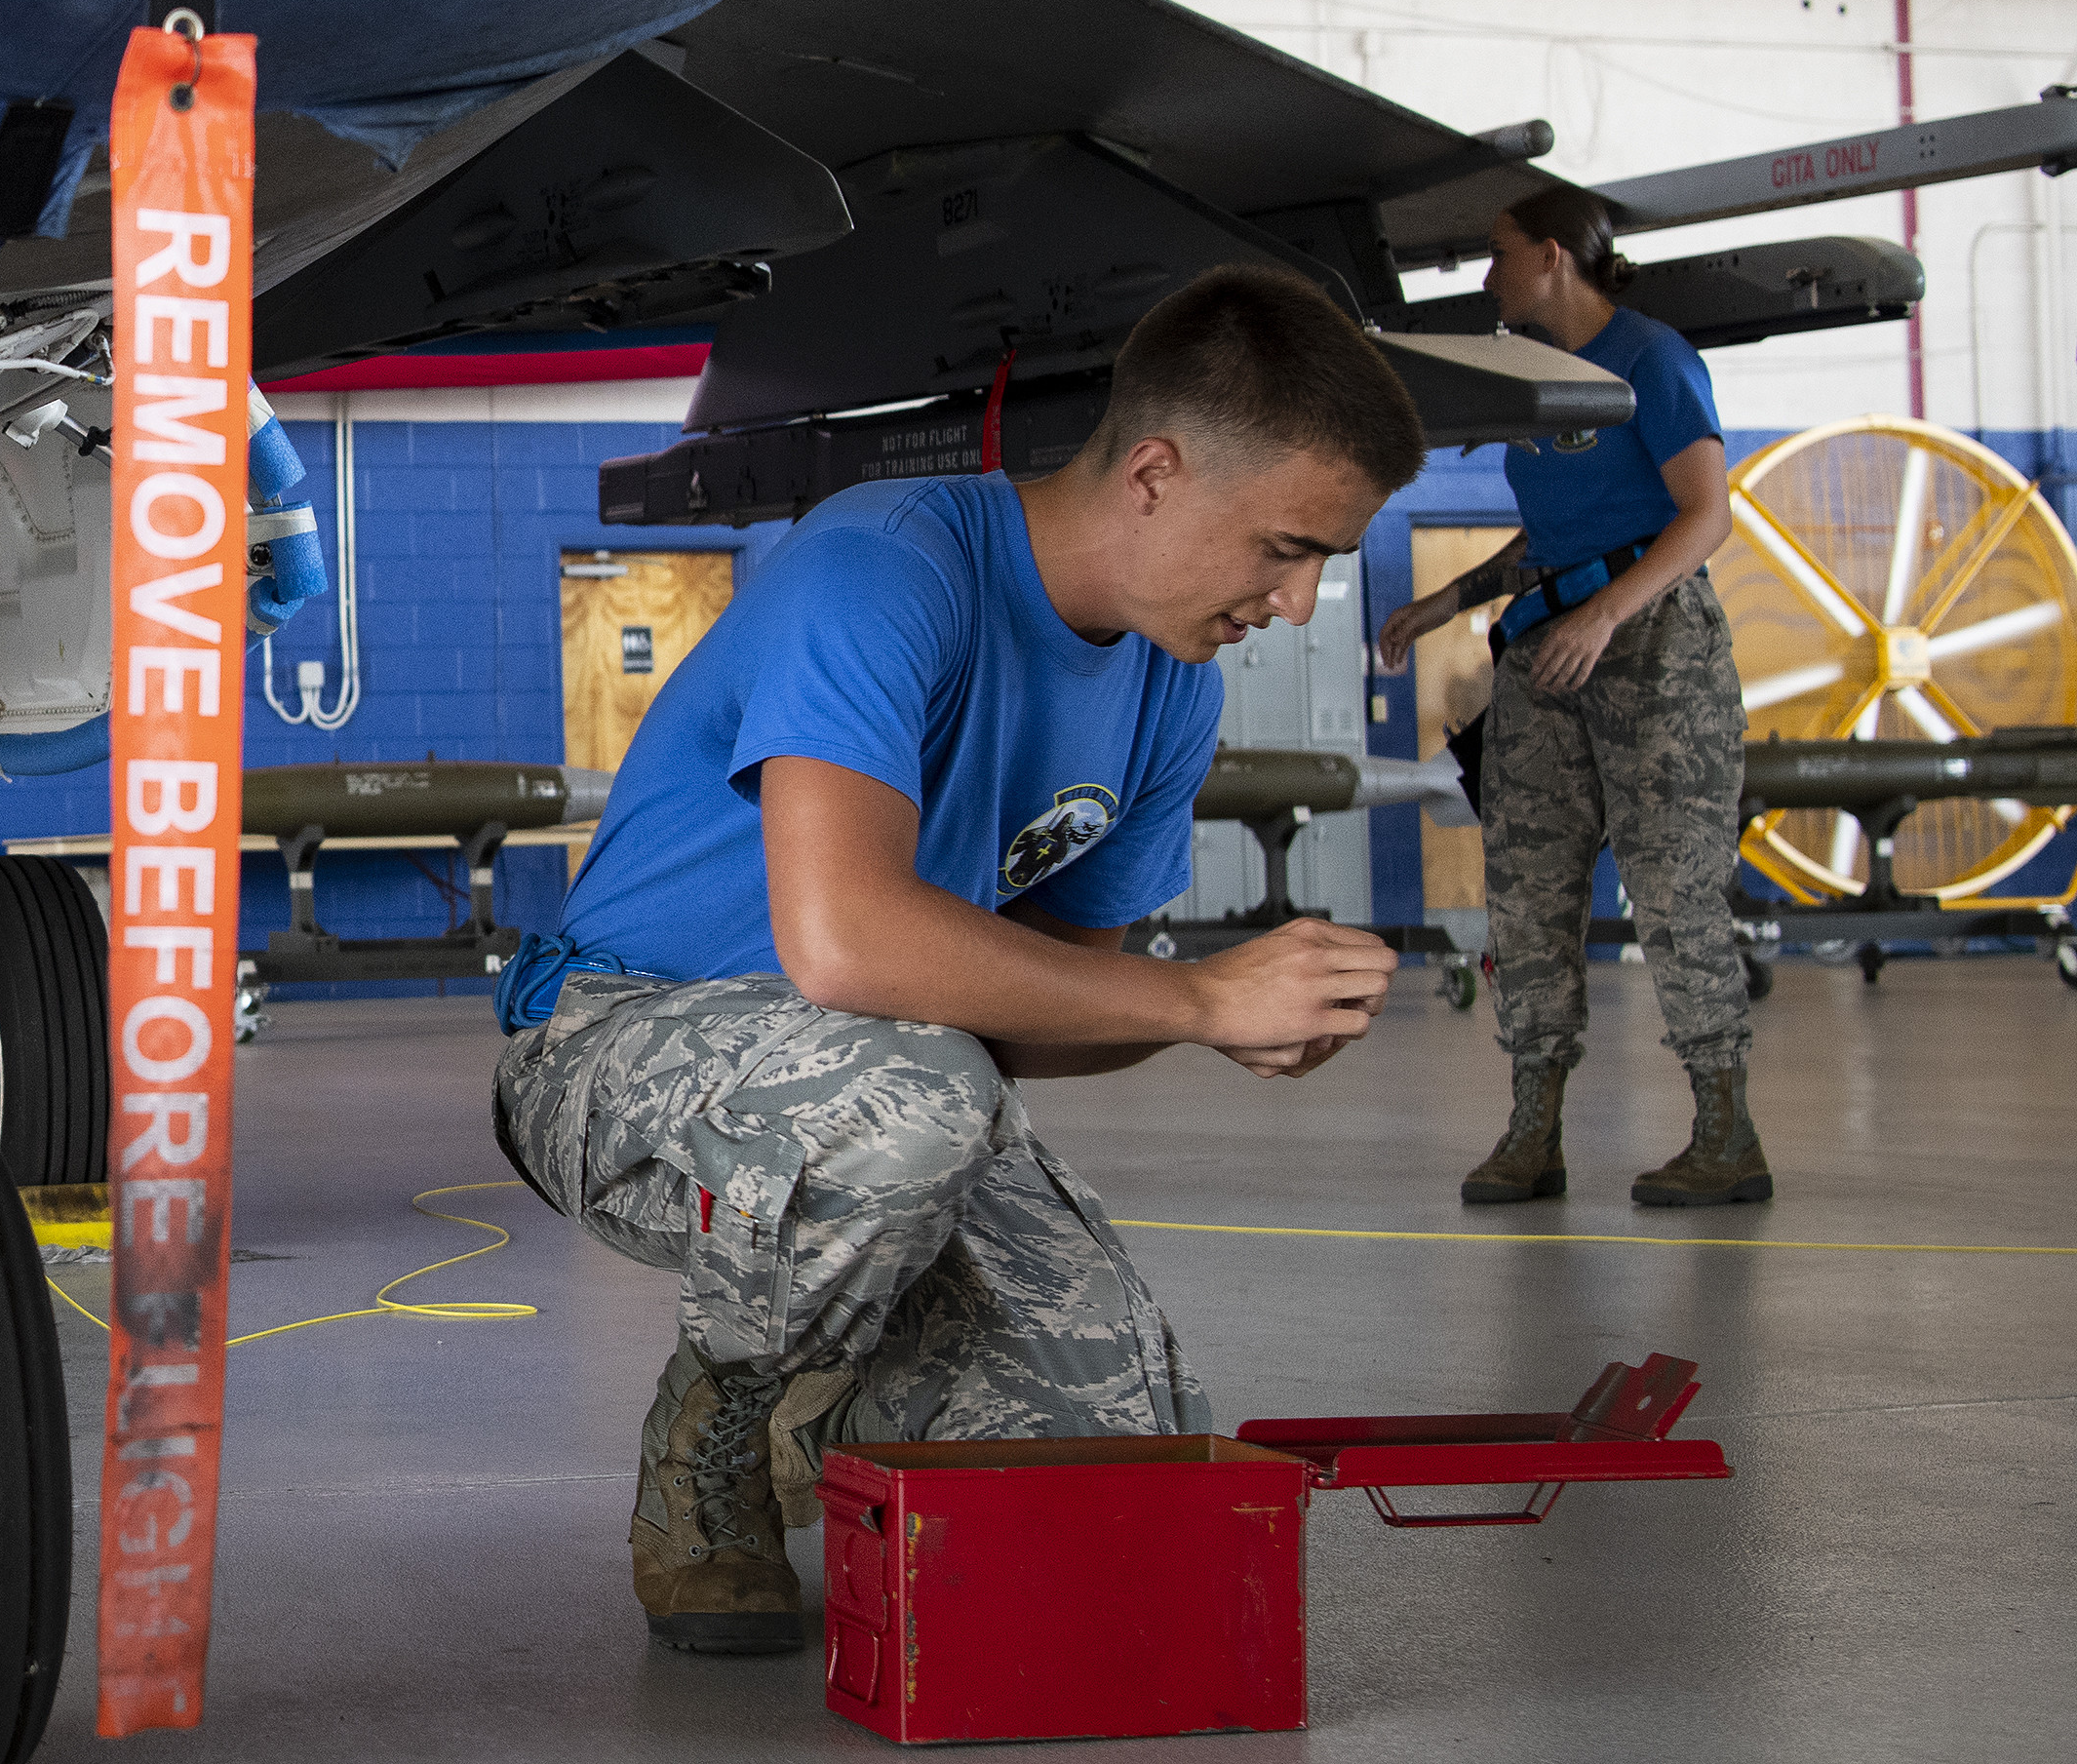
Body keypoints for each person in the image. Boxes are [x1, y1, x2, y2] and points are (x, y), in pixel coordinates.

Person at [490, 264, 1423, 1656]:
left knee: (1114, 1432)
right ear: (1155, 472)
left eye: (1322, 562)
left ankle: (851, 1393)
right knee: (913, 1097)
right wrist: (1197, 991)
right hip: (616, 1039)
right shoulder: (884, 564)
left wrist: (1206, 1021)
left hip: (891, 1075)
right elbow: (848, 937)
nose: (1295, 600)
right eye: (1285, 546)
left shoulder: (1171, 683)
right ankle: (720, 1430)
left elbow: (1039, 1003)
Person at [1377, 189, 1762, 1214]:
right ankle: (1532, 1128)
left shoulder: (1651, 358)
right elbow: (1549, 540)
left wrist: (1608, 618)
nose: (1487, 279)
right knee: (1530, 887)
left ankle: (1726, 1131)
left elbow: (1707, 513)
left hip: (1657, 650)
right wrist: (1440, 602)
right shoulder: (1530, 375)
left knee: (1675, 888)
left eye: (1497, 256)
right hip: (1549, 654)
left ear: (1553, 257)